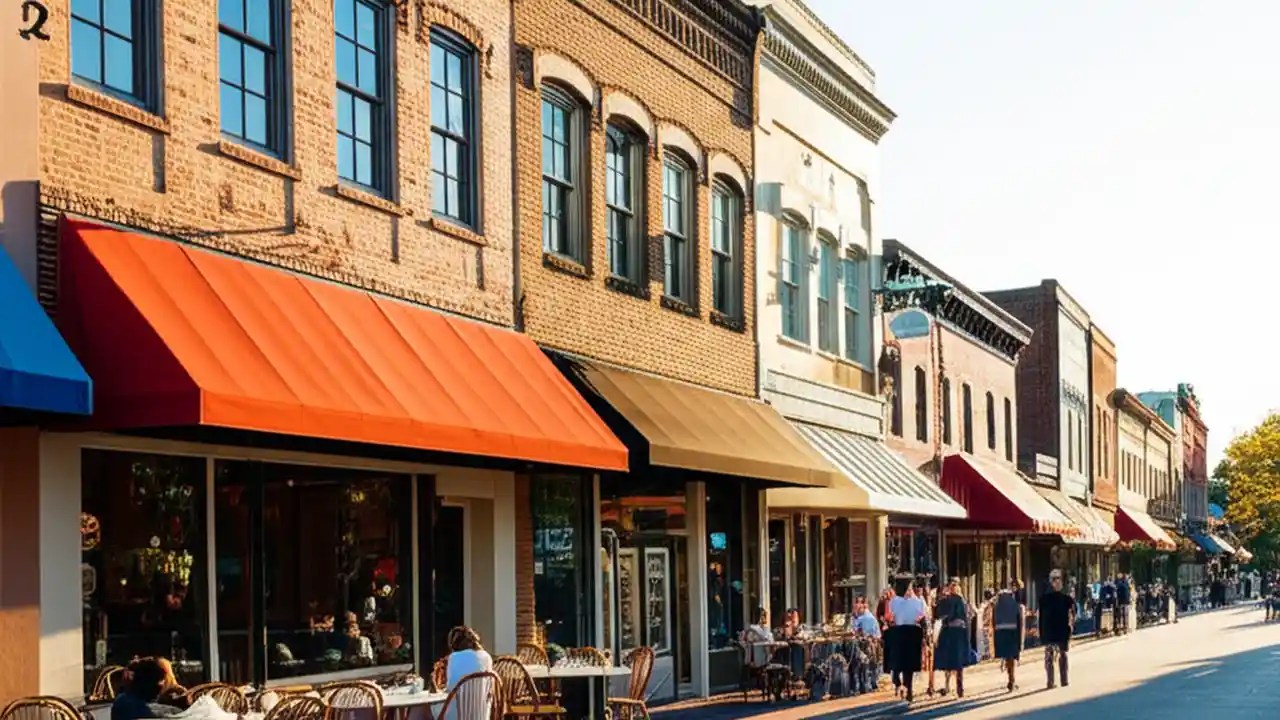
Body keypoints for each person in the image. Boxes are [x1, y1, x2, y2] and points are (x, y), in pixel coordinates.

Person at [887, 578, 926, 702]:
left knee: (907, 666)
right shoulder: (896, 601)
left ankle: (908, 689)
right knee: (900, 665)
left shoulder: (915, 602)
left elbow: (921, 615)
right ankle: (900, 684)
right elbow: (891, 616)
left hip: (908, 632)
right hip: (902, 632)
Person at [933, 578, 971, 698]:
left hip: (954, 631)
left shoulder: (958, 600)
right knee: (953, 660)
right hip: (953, 631)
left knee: (955, 660)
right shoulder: (951, 600)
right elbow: (939, 614)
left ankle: (958, 687)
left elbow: (960, 616)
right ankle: (953, 686)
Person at [111, 658, 182, 720]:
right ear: (149, 683)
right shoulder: (133, 706)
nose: (160, 689)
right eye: (159, 683)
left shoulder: (123, 699)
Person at [1039, 570, 1075, 689]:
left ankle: (1063, 679)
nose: (1057, 581)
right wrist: (1041, 633)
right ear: (1050, 581)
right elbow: (1041, 617)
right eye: (1054, 579)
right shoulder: (1045, 599)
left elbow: (1073, 614)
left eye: (1058, 579)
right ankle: (1050, 681)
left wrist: (1070, 627)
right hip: (1051, 631)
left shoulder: (1066, 598)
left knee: (1062, 654)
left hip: (1061, 630)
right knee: (1050, 654)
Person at [993, 580, 1024, 692]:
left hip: (1001, 632)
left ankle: (1010, 678)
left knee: (1006, 657)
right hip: (1012, 632)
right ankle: (1012, 680)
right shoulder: (1014, 604)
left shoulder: (997, 605)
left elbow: (994, 621)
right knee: (1011, 657)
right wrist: (1020, 641)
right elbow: (1019, 621)